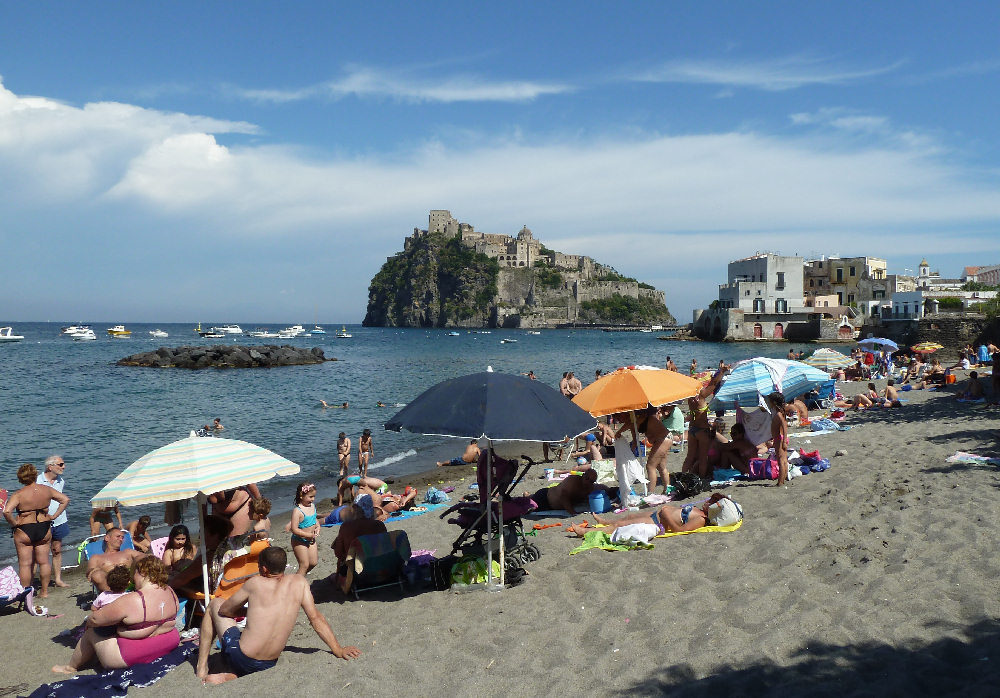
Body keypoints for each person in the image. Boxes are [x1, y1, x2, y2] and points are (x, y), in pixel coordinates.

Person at [195, 546, 360, 684]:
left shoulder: (255, 583)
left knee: (214, 605)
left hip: (240, 656)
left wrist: (245, 611)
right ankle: (234, 674)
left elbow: (224, 610)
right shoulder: (300, 583)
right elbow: (316, 619)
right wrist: (338, 649)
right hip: (267, 664)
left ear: (264, 569)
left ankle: (202, 669)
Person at [53, 556, 180, 675]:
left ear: (143, 573)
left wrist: (91, 624)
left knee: (91, 631)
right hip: (169, 645)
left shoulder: (133, 599)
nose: (133, 577)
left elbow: (95, 619)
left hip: (131, 656)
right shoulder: (170, 591)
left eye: (134, 572)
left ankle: (70, 667)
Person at [3, 463, 70, 596]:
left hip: (24, 529)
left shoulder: (19, 494)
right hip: (44, 527)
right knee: (44, 561)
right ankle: (44, 592)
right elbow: (65, 499)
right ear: (35, 475)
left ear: (20, 478)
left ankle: (25, 594)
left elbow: (7, 512)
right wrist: (55, 515)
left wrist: (14, 523)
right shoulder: (46, 490)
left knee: (25, 564)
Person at [569, 492, 736, 537]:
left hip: (659, 523)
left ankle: (585, 532)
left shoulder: (700, 519)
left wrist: (666, 513)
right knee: (627, 517)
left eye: (710, 501)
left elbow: (679, 530)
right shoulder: (700, 513)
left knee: (620, 526)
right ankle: (605, 522)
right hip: (659, 516)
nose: (706, 502)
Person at [332, 495, 387, 587]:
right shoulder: (379, 525)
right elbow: (385, 547)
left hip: (357, 571)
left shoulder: (346, 527)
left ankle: (338, 579)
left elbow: (339, 554)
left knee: (337, 545)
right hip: (379, 568)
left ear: (356, 508)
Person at [37, 455, 70, 588]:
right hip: (42, 521)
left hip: (59, 519)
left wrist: (56, 515)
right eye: (61, 464)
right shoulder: (38, 480)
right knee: (40, 552)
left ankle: (58, 579)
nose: (64, 467)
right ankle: (39, 581)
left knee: (57, 549)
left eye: (63, 464)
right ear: (50, 467)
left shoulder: (60, 481)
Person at [86, 528, 145, 592]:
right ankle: (115, 596)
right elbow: (89, 572)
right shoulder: (96, 557)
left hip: (131, 584)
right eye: (118, 536)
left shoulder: (128, 552)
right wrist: (93, 570)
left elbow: (145, 556)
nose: (121, 539)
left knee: (141, 559)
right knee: (96, 574)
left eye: (122, 537)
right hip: (110, 588)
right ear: (107, 538)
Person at [528, 470, 607, 515]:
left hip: (550, 504)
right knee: (527, 506)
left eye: (591, 481)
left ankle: (528, 496)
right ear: (583, 475)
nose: (588, 481)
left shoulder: (590, 487)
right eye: (587, 478)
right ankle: (527, 495)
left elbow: (603, 489)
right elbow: (563, 496)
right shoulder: (573, 481)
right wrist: (572, 512)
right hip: (544, 498)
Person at [290, 482, 320, 576]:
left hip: (311, 540)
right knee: (304, 565)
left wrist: (318, 526)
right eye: (310, 497)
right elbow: (294, 529)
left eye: (314, 496)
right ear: (301, 495)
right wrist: (308, 535)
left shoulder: (313, 506)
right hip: (299, 541)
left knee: (313, 562)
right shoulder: (298, 511)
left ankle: (298, 578)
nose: (313, 499)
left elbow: (314, 519)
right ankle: (297, 584)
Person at [766, 392, 789, 486]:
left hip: (780, 439)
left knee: (781, 461)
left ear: (774, 402)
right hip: (779, 438)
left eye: (769, 401)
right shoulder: (779, 412)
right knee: (783, 460)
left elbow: (784, 426)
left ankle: (780, 482)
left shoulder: (779, 414)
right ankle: (783, 479)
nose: (768, 403)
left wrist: (783, 441)